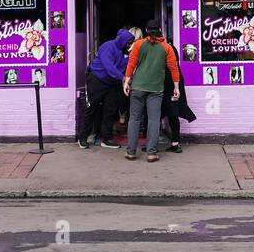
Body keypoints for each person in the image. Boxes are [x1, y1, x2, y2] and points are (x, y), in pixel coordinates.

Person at [123, 20, 179, 162]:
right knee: (154, 121)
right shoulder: (167, 47)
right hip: (156, 89)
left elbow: (132, 63)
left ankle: (131, 152)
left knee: (134, 119)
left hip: (138, 87)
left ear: (146, 30)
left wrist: (127, 81)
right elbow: (173, 68)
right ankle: (152, 153)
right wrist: (176, 87)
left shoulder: (139, 44)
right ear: (160, 30)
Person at [79, 28, 134, 150]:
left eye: (131, 42)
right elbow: (109, 67)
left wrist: (129, 78)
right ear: (123, 40)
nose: (130, 45)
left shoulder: (127, 52)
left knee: (110, 110)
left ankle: (107, 138)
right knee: (91, 108)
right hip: (96, 79)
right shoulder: (107, 47)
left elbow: (128, 68)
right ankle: (82, 137)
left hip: (113, 83)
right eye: (129, 42)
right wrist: (124, 78)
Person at [160, 38, 196, 154]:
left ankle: (153, 144)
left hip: (168, 84)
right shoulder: (171, 49)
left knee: (157, 114)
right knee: (172, 114)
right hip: (174, 83)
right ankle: (175, 143)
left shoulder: (164, 49)